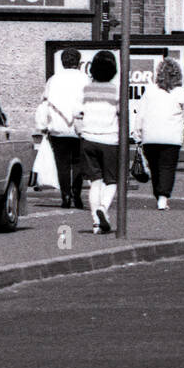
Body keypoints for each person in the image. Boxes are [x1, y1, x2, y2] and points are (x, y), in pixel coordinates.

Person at [133, 58, 184, 210]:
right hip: (172, 136)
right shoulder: (181, 92)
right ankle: (163, 197)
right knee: (167, 167)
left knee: (154, 167)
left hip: (150, 135)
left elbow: (140, 113)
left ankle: (158, 193)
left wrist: (137, 134)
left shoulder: (150, 90)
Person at [74, 50, 120, 234]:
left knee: (95, 181)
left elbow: (77, 113)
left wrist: (81, 131)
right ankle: (103, 207)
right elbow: (122, 114)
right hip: (110, 139)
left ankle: (95, 222)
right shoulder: (116, 91)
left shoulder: (86, 90)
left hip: (88, 138)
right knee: (111, 181)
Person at [36, 46, 88, 209]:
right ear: (78, 62)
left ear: (63, 62)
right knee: (78, 162)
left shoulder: (54, 79)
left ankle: (65, 195)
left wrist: (43, 125)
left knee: (62, 163)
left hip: (57, 127)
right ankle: (77, 194)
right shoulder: (85, 79)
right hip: (79, 126)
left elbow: (45, 102)